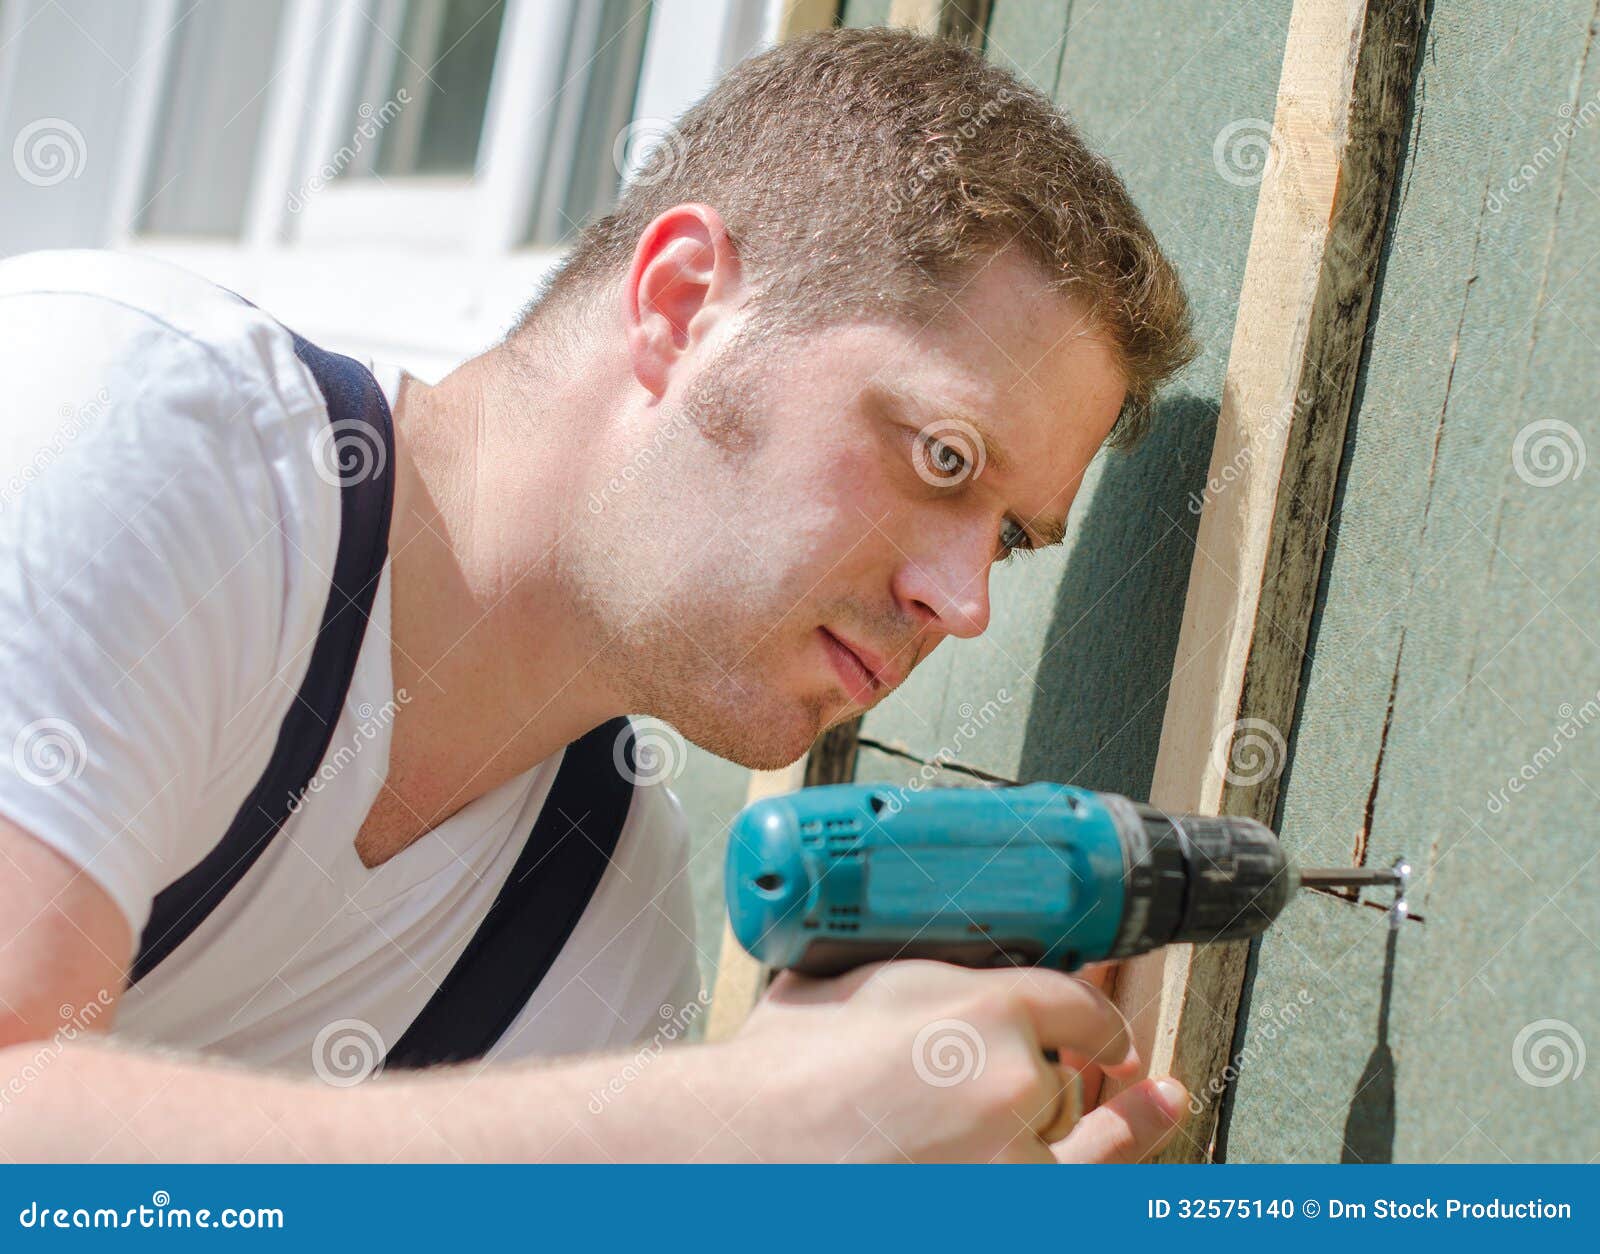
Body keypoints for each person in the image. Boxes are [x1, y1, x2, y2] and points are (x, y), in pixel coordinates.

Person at [0, 26, 1197, 1162]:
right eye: (941, 456)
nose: (964, 601)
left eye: (1011, 540)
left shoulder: (597, 943)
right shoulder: (123, 418)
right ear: (680, 305)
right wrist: (735, 1123)